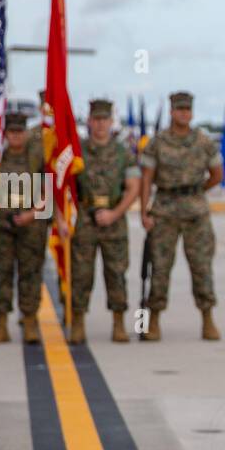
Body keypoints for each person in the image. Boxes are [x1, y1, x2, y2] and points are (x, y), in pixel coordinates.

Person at [139, 91, 224, 341]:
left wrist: (197, 191)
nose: (184, 113)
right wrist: (145, 211)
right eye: (179, 109)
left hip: (196, 212)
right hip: (164, 210)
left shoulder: (203, 141)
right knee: (160, 267)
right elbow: (146, 179)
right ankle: (153, 320)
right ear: (172, 112)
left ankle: (207, 318)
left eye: (187, 109)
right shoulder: (158, 142)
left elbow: (217, 174)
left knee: (201, 266)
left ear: (192, 112)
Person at [70, 99, 140, 344]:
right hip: (85, 220)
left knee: (117, 273)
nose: (100, 125)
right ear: (89, 121)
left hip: (114, 220)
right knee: (80, 274)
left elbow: (133, 187)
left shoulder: (123, 153)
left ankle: (118, 323)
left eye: (104, 120)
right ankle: (77, 323)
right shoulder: (77, 151)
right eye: (96, 120)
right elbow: (65, 186)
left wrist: (115, 213)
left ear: (112, 122)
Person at [0, 111, 50, 343]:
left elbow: (48, 191)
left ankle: (30, 321)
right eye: (11, 132)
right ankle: (1, 324)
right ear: (5, 134)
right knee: (1, 273)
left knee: (30, 273)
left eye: (19, 132)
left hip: (31, 225)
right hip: (3, 223)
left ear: (25, 133)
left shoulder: (36, 159)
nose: (15, 136)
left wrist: (33, 214)